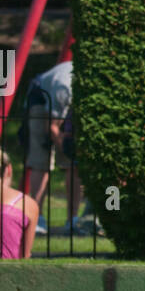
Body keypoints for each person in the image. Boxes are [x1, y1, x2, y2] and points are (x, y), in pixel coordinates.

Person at [22, 60, 89, 235]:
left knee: (73, 165)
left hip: (65, 106)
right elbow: (51, 127)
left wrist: (71, 155)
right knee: (41, 161)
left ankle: (73, 220)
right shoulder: (64, 88)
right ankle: (36, 218)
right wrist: (64, 147)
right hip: (39, 98)